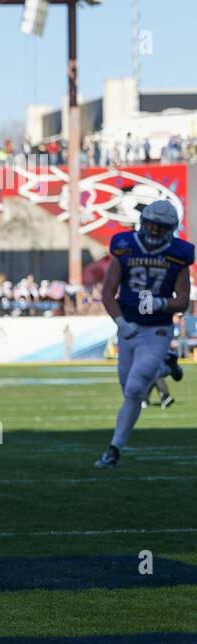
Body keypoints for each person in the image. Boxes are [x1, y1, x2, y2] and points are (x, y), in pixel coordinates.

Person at [95, 200, 193, 469]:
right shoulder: (125, 245)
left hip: (157, 329)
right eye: (151, 224)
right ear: (142, 222)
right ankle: (165, 365)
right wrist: (120, 323)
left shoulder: (179, 253)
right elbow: (107, 292)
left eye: (161, 227)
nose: (154, 230)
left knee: (135, 386)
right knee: (129, 389)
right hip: (129, 326)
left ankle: (114, 449)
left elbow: (182, 300)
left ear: (171, 229)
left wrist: (160, 303)